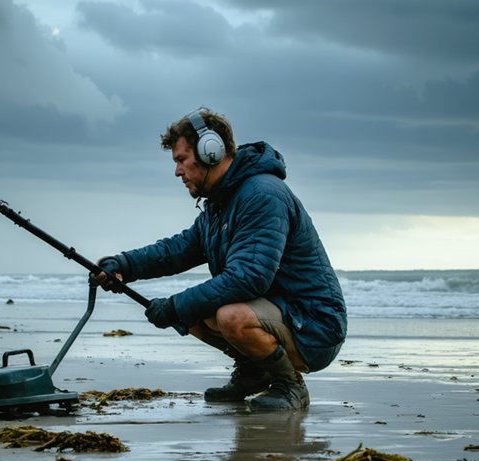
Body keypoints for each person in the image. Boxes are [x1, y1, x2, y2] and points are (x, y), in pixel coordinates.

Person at [92, 108, 346, 410]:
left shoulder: (262, 195)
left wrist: (174, 307)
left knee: (227, 315)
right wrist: (124, 265)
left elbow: (250, 276)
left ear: (210, 151)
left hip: (314, 325)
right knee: (200, 312)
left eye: (181, 160)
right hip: (282, 312)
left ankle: (290, 387)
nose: (177, 171)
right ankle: (253, 374)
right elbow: (178, 249)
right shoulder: (220, 204)